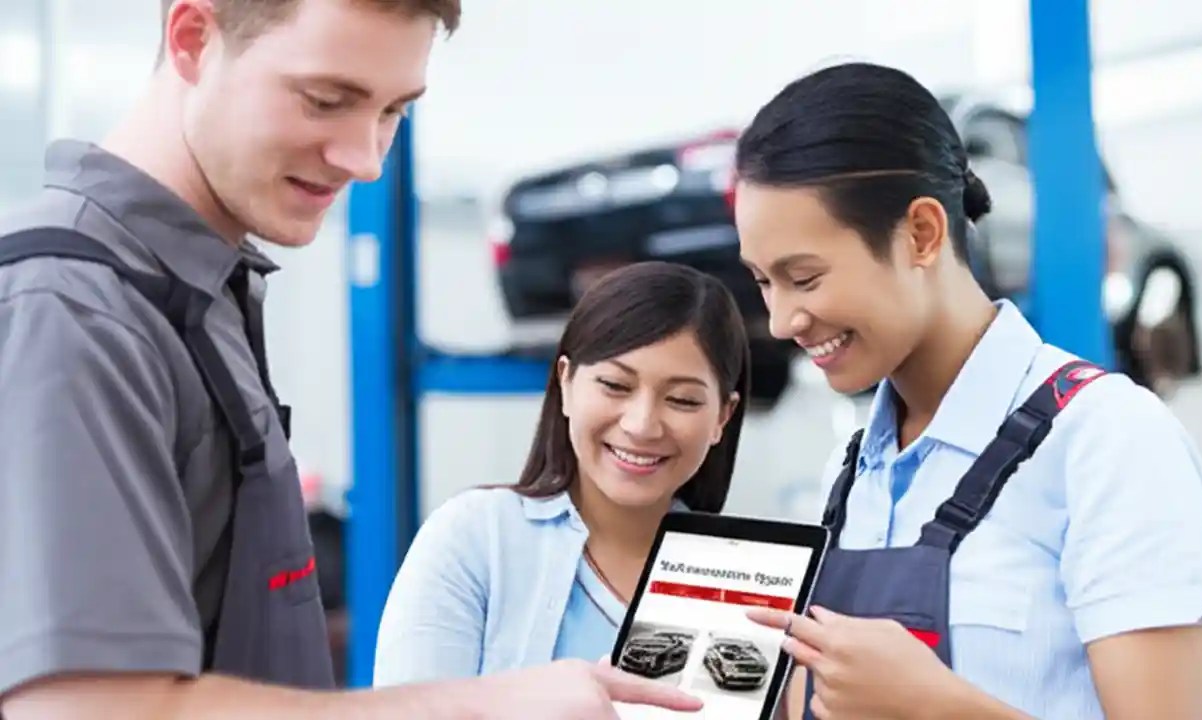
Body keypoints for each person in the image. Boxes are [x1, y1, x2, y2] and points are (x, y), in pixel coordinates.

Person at [0, 1, 702, 718]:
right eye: (326, 101)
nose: (364, 159)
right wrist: (482, 707)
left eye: (393, 111)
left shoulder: (201, 292)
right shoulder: (74, 310)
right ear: (191, 38)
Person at [729, 62, 1202, 719]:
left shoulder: (1108, 439)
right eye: (764, 281)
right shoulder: (851, 473)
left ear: (923, 234)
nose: (782, 321)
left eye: (805, 277)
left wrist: (933, 706)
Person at [372, 261, 750, 685]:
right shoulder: (477, 538)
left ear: (724, 415)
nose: (642, 424)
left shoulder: (743, 583)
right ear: (566, 383)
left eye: (681, 400)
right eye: (615, 386)